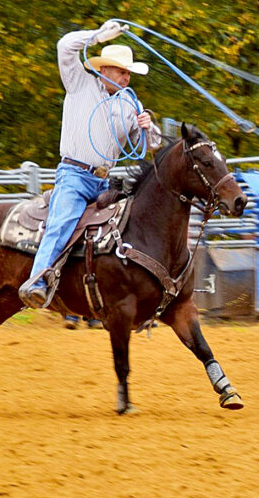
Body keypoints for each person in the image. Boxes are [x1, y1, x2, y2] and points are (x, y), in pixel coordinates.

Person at [19, 20, 161, 308]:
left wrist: (149, 126)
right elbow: (64, 46)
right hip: (73, 175)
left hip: (103, 182)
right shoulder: (79, 83)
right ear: (104, 69)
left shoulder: (129, 105)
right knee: (61, 223)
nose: (127, 78)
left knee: (127, 228)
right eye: (122, 72)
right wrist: (97, 36)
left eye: (129, 73)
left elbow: (151, 145)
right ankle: (38, 281)